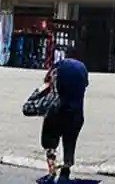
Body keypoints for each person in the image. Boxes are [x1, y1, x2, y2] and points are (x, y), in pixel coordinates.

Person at [42, 47, 89, 183]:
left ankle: (51, 173)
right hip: (75, 112)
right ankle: (65, 172)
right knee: (70, 142)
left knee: (50, 140)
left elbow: (47, 81)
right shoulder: (82, 68)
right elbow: (85, 84)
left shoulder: (59, 65)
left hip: (56, 110)